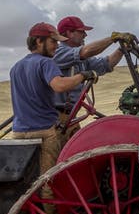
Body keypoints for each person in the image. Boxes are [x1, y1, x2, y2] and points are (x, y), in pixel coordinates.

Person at [10, 22, 99, 177]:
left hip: (18, 132)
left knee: (26, 179)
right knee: (48, 180)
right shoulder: (46, 63)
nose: (57, 46)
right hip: (43, 131)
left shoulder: (16, 67)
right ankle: (48, 202)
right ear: (38, 41)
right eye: (53, 42)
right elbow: (60, 86)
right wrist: (84, 75)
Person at [53, 15, 132, 125]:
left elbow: (106, 64)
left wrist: (121, 50)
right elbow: (86, 51)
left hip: (69, 115)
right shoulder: (59, 52)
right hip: (53, 117)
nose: (85, 35)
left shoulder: (82, 59)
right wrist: (113, 38)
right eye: (81, 32)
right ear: (69, 33)